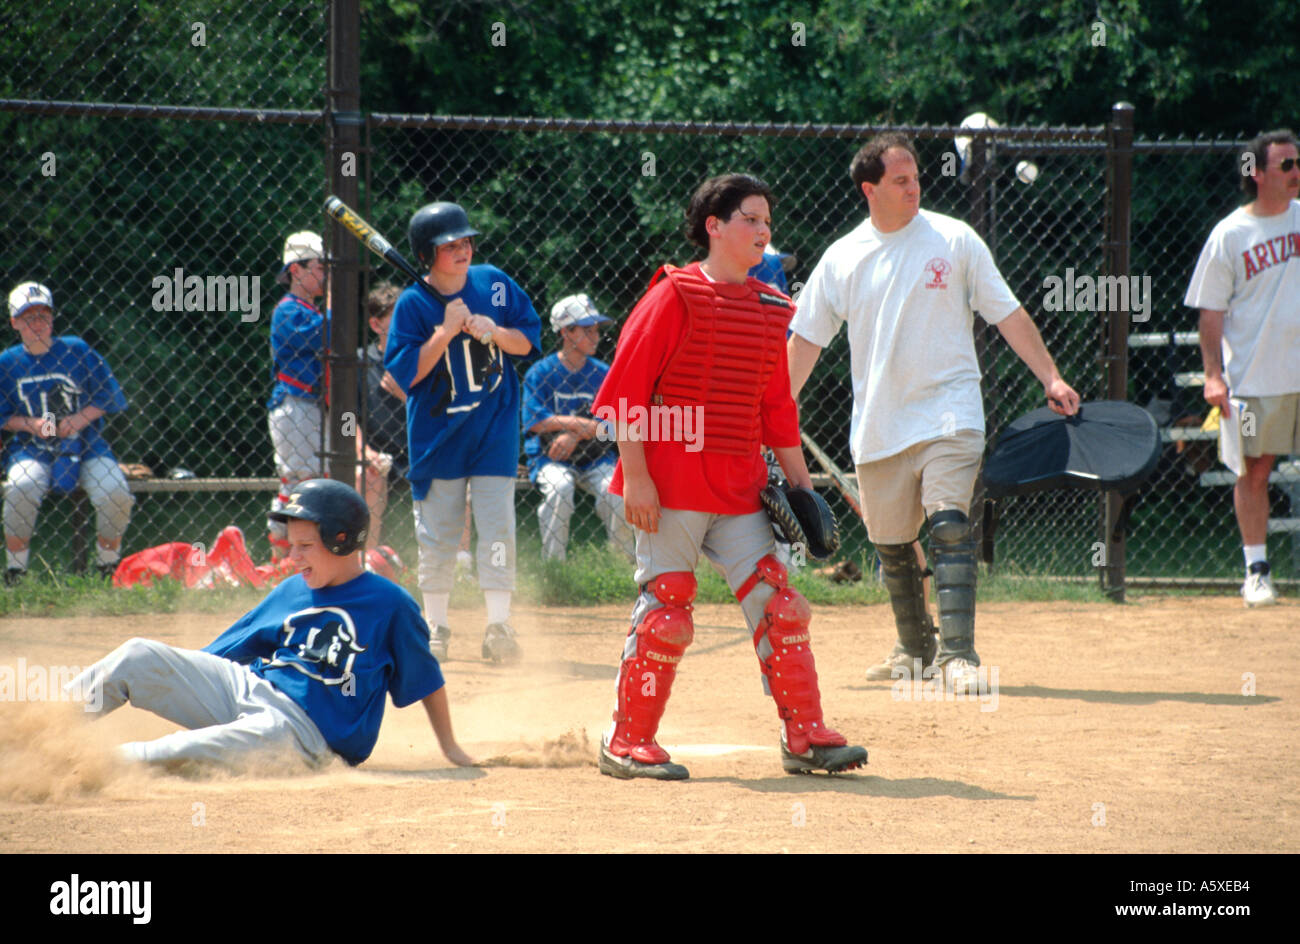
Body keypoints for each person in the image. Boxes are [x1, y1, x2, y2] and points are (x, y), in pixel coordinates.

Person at [594, 173, 867, 781]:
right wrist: (635, 477)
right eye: (750, 218)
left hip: (742, 488)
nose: (764, 229)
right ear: (713, 227)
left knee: (782, 605)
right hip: (669, 486)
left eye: (767, 220)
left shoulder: (773, 312)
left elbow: (778, 412)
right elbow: (626, 394)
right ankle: (627, 740)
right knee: (668, 609)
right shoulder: (674, 294)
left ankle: (804, 736)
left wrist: (801, 489)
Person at [787, 133, 1080, 694]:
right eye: (900, 180)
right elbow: (804, 343)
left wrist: (1051, 376)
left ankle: (958, 655)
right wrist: (774, 410)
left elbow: (1008, 313)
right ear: (869, 189)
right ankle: (915, 649)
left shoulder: (954, 238)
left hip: (950, 411)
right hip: (880, 424)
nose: (914, 187)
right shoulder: (843, 257)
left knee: (948, 524)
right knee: (893, 543)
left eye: (917, 176)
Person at [66, 479, 472, 771]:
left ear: (342, 540)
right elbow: (222, 653)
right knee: (139, 655)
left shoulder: (391, 604)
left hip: (303, 734)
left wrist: (449, 746)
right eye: (291, 546)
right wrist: (174, 679)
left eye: (306, 546)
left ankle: (82, 769)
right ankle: (37, 731)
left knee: (178, 750)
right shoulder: (292, 590)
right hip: (250, 689)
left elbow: (426, 679)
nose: (293, 557)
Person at [384, 202, 541, 664]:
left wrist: (495, 331)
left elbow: (527, 341)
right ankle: (436, 627)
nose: (462, 250)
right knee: (438, 532)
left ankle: (498, 625)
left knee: (496, 529)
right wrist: (446, 331)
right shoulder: (413, 305)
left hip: (493, 430)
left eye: (465, 241)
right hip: (438, 433)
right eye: (449, 245)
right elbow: (407, 375)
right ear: (426, 254)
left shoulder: (492, 284)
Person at [1186, 128, 1300, 607]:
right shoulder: (1230, 235)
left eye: (1297, 162)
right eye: (1287, 165)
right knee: (1255, 471)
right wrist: (1213, 375)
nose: (1296, 172)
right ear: (1257, 174)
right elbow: (1210, 313)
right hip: (1255, 378)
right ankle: (1256, 571)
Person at [2, 282, 133, 583]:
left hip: (86, 445)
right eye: (29, 317)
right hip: (31, 447)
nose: (38, 323)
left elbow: (107, 396)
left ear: (53, 318)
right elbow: (4, 415)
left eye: (44, 315)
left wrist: (79, 419)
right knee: (21, 487)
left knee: (115, 492)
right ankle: (15, 572)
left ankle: (107, 568)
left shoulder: (76, 350)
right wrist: (30, 424)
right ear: (15, 322)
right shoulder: (6, 364)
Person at [522, 293, 633, 562]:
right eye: (587, 330)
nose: (595, 336)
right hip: (551, 459)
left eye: (596, 330)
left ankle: (623, 565)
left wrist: (573, 433)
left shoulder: (602, 373)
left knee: (615, 493)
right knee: (560, 490)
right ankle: (554, 566)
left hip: (595, 459)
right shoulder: (541, 372)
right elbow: (535, 422)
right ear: (566, 332)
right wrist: (584, 425)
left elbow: (615, 426)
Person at [267, 231, 329, 562]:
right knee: (300, 480)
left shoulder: (310, 309)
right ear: (296, 270)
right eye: (319, 268)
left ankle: (292, 555)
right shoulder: (288, 310)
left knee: (310, 478)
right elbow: (318, 338)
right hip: (293, 403)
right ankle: (281, 558)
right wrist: (337, 309)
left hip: (310, 405)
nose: (325, 275)